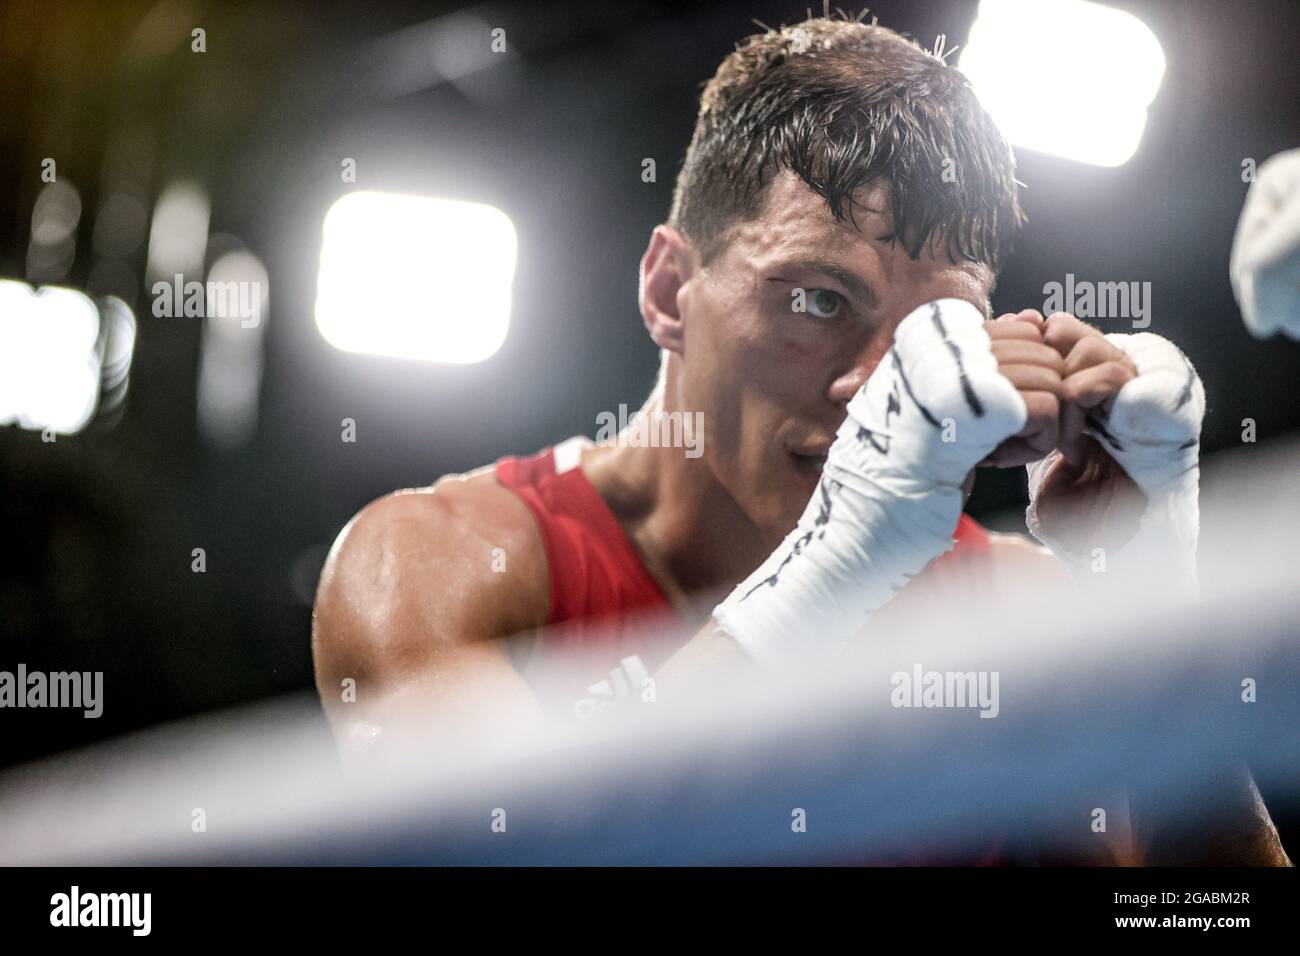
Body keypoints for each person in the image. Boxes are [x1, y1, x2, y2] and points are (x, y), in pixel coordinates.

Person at [312, 16, 1288, 865]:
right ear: (666, 291)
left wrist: (1146, 601)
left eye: (927, 332)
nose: (873, 381)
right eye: (817, 300)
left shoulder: (1006, 608)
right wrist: (846, 550)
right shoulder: (444, 566)